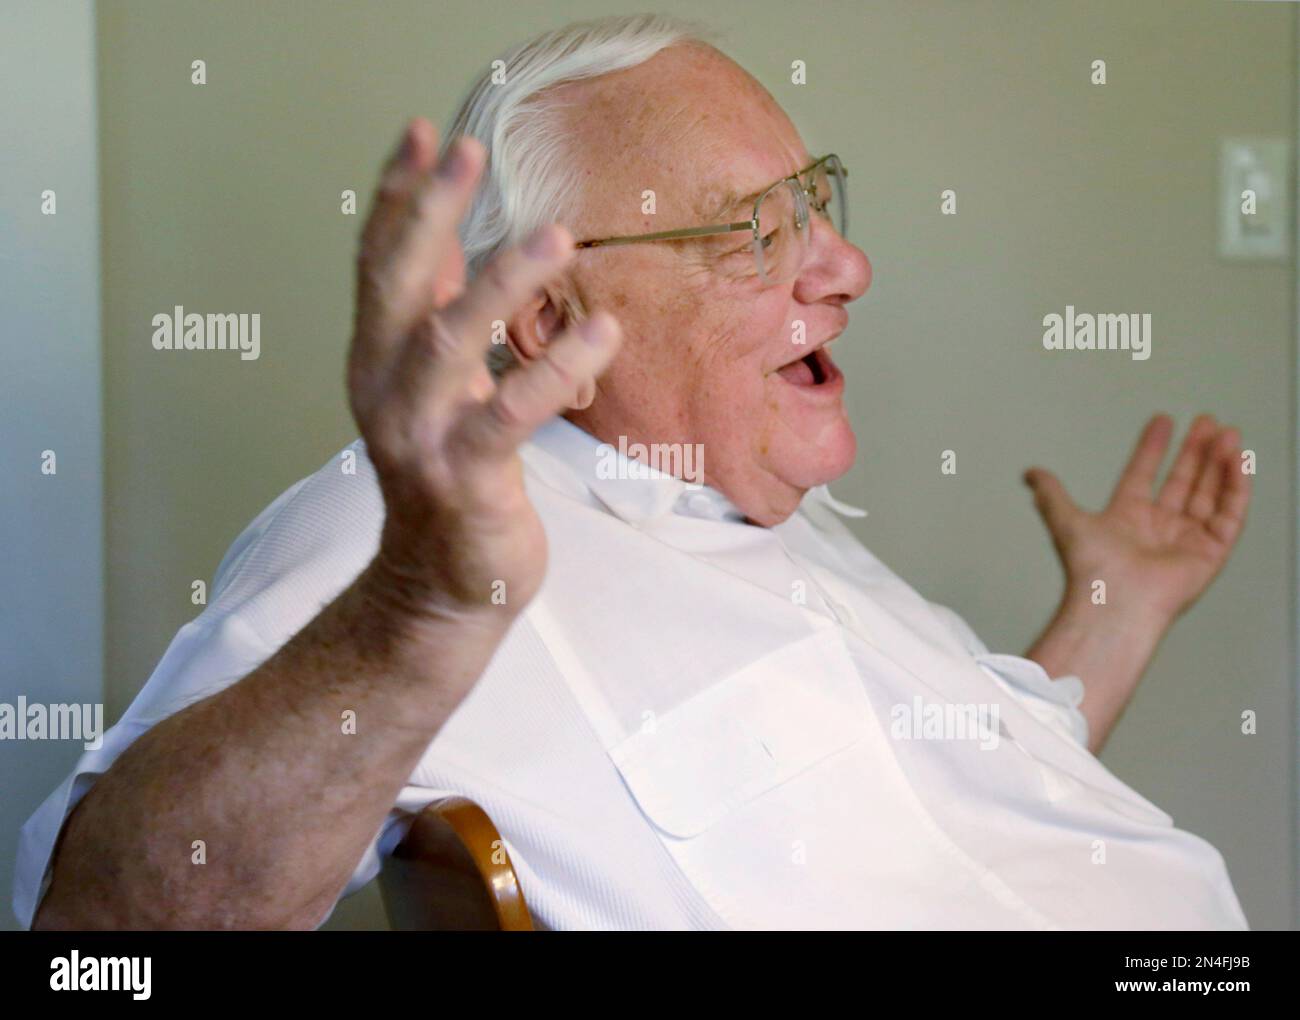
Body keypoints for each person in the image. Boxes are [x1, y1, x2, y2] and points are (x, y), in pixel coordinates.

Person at [19, 13, 1252, 930]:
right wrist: (418, 613)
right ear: (550, 321)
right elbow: (90, 947)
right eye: (749, 233)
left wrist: (1121, 608)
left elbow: (971, 817)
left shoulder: (770, 511)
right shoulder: (409, 539)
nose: (848, 267)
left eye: (815, 204)